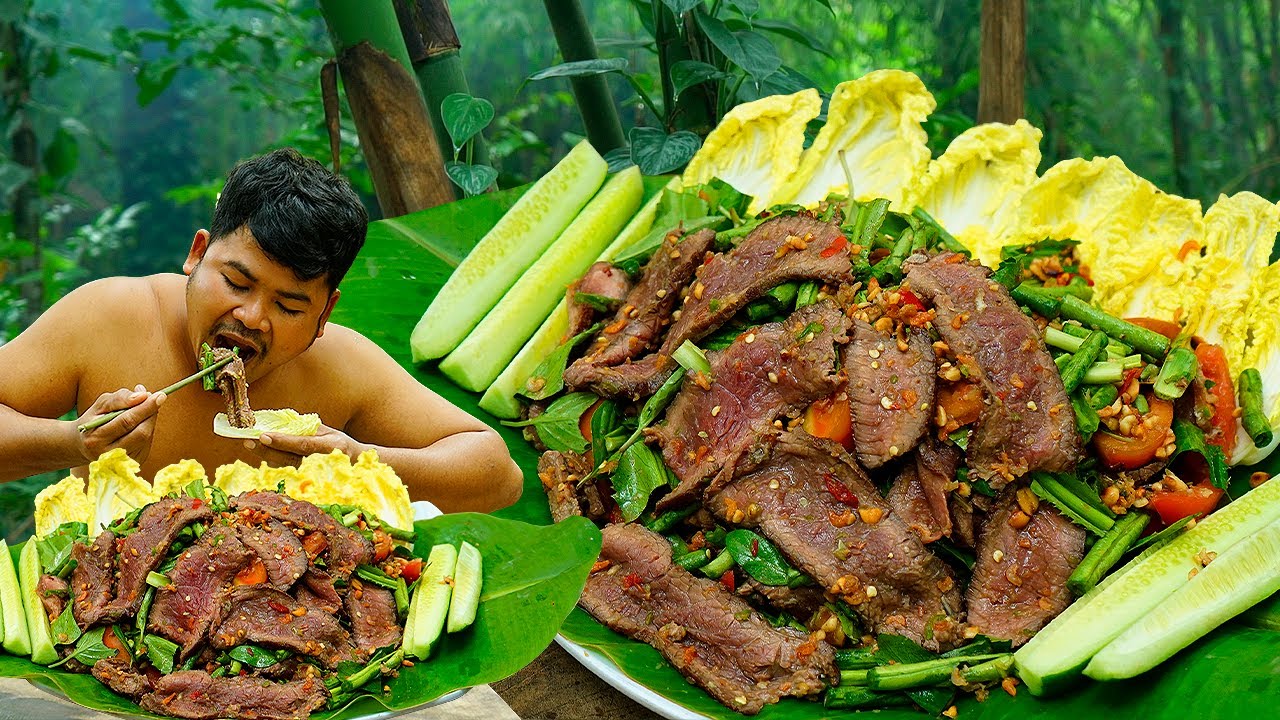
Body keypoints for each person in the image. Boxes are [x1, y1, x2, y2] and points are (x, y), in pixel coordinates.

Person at [0, 148, 522, 513]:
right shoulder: (108, 316)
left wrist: (359, 461)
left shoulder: (342, 367)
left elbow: (498, 475)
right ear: (197, 254)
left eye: (289, 306)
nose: (252, 317)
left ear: (324, 315)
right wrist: (72, 442)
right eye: (236, 282)